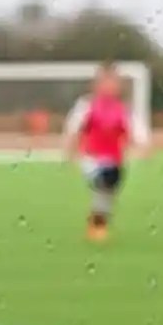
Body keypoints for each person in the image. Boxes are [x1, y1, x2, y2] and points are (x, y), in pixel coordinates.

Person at [63, 62, 148, 242]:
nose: (110, 86)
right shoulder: (86, 105)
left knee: (106, 194)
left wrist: (143, 147)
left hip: (114, 159)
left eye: (113, 82)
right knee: (105, 181)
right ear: (97, 84)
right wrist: (69, 151)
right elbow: (74, 129)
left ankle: (97, 222)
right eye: (105, 81)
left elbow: (135, 133)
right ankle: (98, 222)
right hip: (91, 158)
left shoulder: (124, 109)